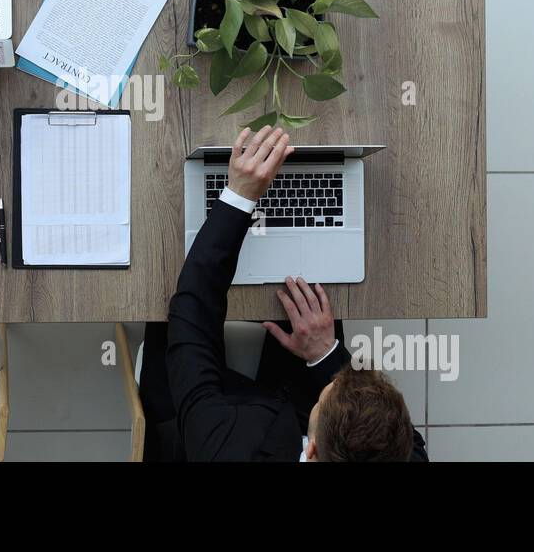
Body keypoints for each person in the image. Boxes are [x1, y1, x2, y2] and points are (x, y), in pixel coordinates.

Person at [139, 126, 428, 462]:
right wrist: (324, 354)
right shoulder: (398, 455)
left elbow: (193, 327)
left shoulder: (221, 448)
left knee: (167, 293)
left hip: (216, 420)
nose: (339, 378)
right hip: (290, 417)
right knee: (310, 289)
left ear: (313, 447)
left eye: (328, 394)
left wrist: (238, 197)